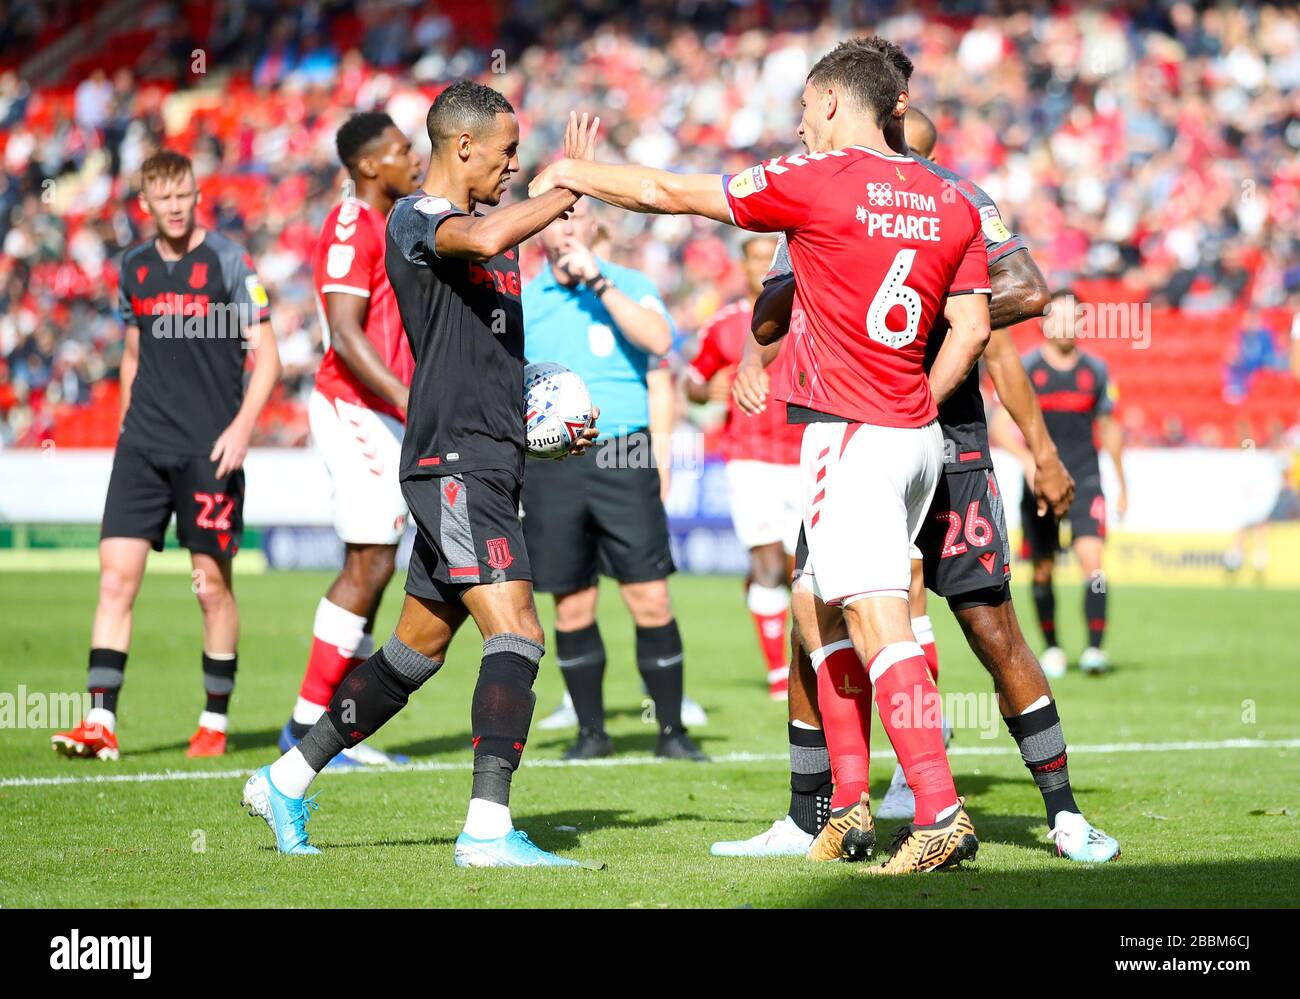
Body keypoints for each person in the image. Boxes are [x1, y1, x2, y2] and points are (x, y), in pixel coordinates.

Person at [531, 40, 992, 874]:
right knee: (816, 606)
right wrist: (921, 400)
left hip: (851, 431)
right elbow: (972, 326)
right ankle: (849, 809)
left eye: (804, 109)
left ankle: (940, 810)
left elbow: (668, 192)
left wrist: (575, 173)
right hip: (916, 432)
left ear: (828, 102)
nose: (800, 124)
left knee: (878, 621)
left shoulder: (817, 180)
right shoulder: (948, 196)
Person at [716, 37, 1119, 865]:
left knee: (985, 624)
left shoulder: (953, 200)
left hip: (940, 435)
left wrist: (1041, 450)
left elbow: (1012, 314)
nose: (909, 162)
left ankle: (1061, 812)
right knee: (819, 607)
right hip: (878, 430)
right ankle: (822, 811)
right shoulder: (830, 196)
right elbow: (768, 319)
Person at [241, 86, 600, 867]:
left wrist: (546, 417)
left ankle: (286, 775)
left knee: (413, 652)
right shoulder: (416, 219)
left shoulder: (491, 233)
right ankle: (486, 829)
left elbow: (484, 350)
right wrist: (571, 183)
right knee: (518, 632)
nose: (513, 165)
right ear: (462, 146)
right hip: (455, 464)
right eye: (505, 151)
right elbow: (489, 231)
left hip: (487, 460)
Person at [52, 149, 282, 761]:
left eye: (185, 195)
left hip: (211, 451)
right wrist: (129, 420)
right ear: (146, 204)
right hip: (143, 449)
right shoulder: (134, 268)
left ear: (196, 194)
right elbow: (132, 351)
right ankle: (99, 722)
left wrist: (242, 429)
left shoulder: (229, 262)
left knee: (209, 588)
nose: (176, 207)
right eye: (164, 198)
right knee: (115, 578)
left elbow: (270, 357)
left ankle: (213, 719)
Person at [521, 199, 708, 761]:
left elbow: (658, 341)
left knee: (649, 598)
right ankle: (591, 732)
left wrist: (598, 280)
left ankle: (671, 732)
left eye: (574, 217)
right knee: (572, 606)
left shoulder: (626, 283)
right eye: (554, 218)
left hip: (622, 453)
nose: (566, 227)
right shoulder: (526, 299)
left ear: (592, 225)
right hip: (551, 464)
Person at [277, 112, 422, 767]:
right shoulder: (349, 223)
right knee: (369, 560)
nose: (412, 157)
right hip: (355, 405)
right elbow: (343, 331)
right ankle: (306, 726)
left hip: (385, 410)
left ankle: (334, 724)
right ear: (369, 166)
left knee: (378, 562)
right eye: (399, 150)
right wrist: (405, 399)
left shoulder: (393, 222)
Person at [683, 234, 802, 700]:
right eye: (756, 258)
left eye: (771, 259)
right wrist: (707, 392)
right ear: (744, 265)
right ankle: (779, 676)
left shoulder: (811, 314)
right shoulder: (726, 324)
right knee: (768, 562)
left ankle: (808, 653)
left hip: (807, 453)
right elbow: (693, 381)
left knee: (805, 569)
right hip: (750, 461)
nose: (763, 267)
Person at [1008, 288, 1127, 676]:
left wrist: (1122, 483)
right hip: (1041, 482)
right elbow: (998, 422)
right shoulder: (1025, 368)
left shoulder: (1095, 371)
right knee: (1042, 571)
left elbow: (1109, 428)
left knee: (1093, 565)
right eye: (1055, 316)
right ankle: (1054, 648)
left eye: (1071, 317)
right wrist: (1029, 461)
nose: (1064, 324)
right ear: (1043, 322)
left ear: (1081, 322)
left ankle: (1094, 649)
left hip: (1086, 478)